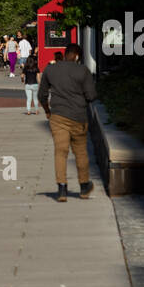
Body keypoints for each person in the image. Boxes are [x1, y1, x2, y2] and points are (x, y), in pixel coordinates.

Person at [38, 42, 97, 201]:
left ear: (65, 54)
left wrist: (47, 111)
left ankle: (62, 188)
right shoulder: (83, 71)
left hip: (58, 116)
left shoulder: (51, 69)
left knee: (60, 152)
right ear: (77, 56)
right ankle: (84, 186)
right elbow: (91, 96)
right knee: (80, 152)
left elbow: (42, 95)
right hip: (78, 117)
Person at [22, 44, 40, 114]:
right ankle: (36, 110)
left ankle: (28, 110)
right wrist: (40, 84)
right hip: (35, 84)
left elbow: (22, 76)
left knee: (29, 99)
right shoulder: (36, 68)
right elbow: (38, 78)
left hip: (27, 84)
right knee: (35, 98)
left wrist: (22, 80)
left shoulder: (26, 68)